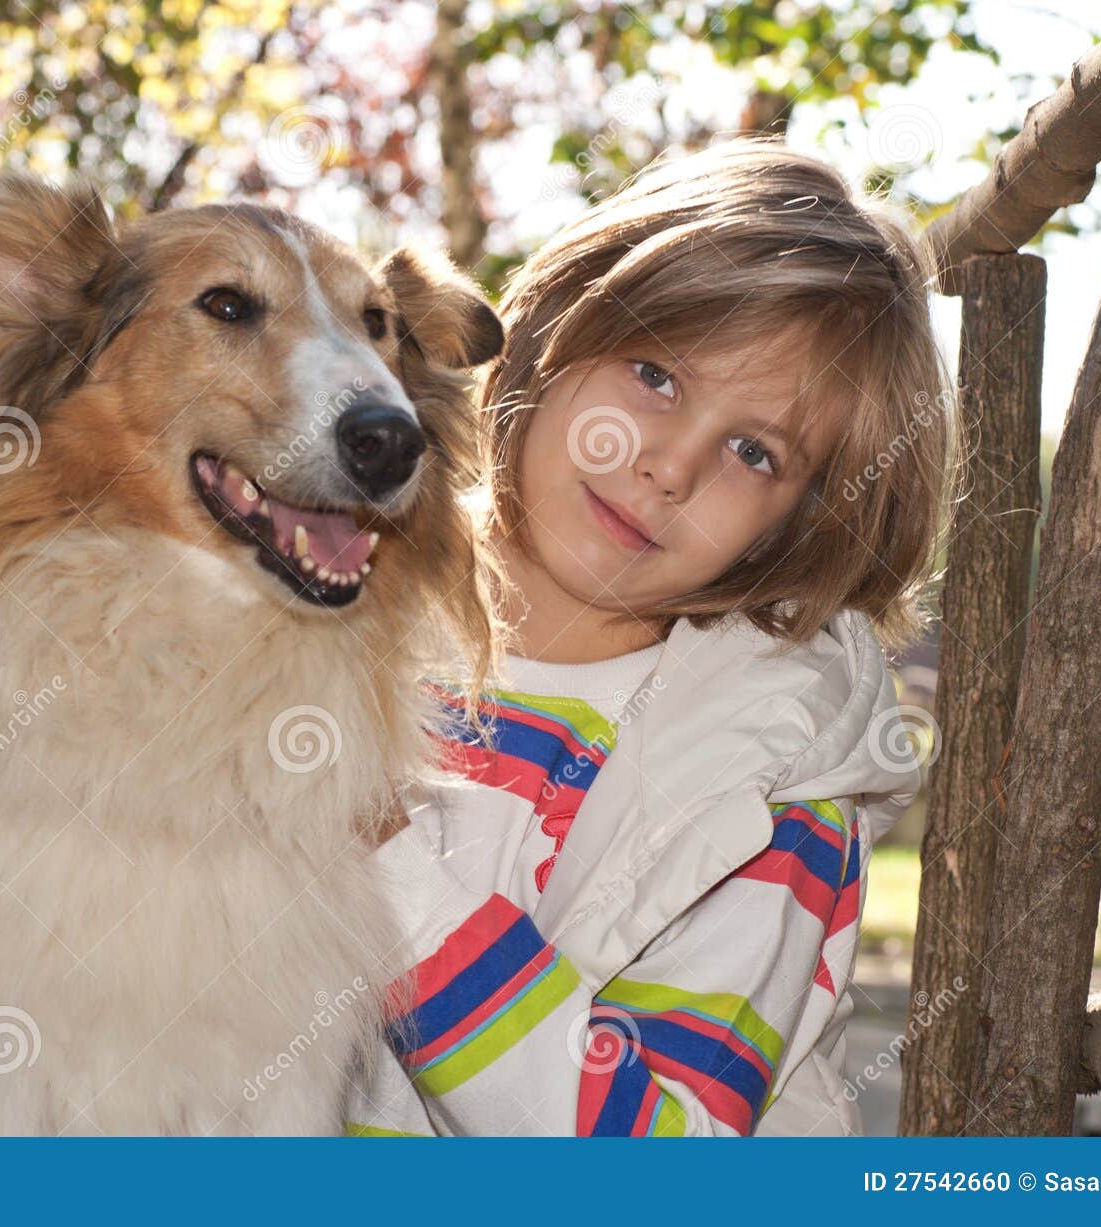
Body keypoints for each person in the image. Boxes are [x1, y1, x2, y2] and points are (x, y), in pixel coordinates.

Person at [347, 137, 956, 1136]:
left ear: (799, 525)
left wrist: (381, 859)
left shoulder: (768, 794)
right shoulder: (321, 607)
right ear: (554, 332)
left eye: (753, 451)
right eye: (654, 374)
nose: (670, 467)